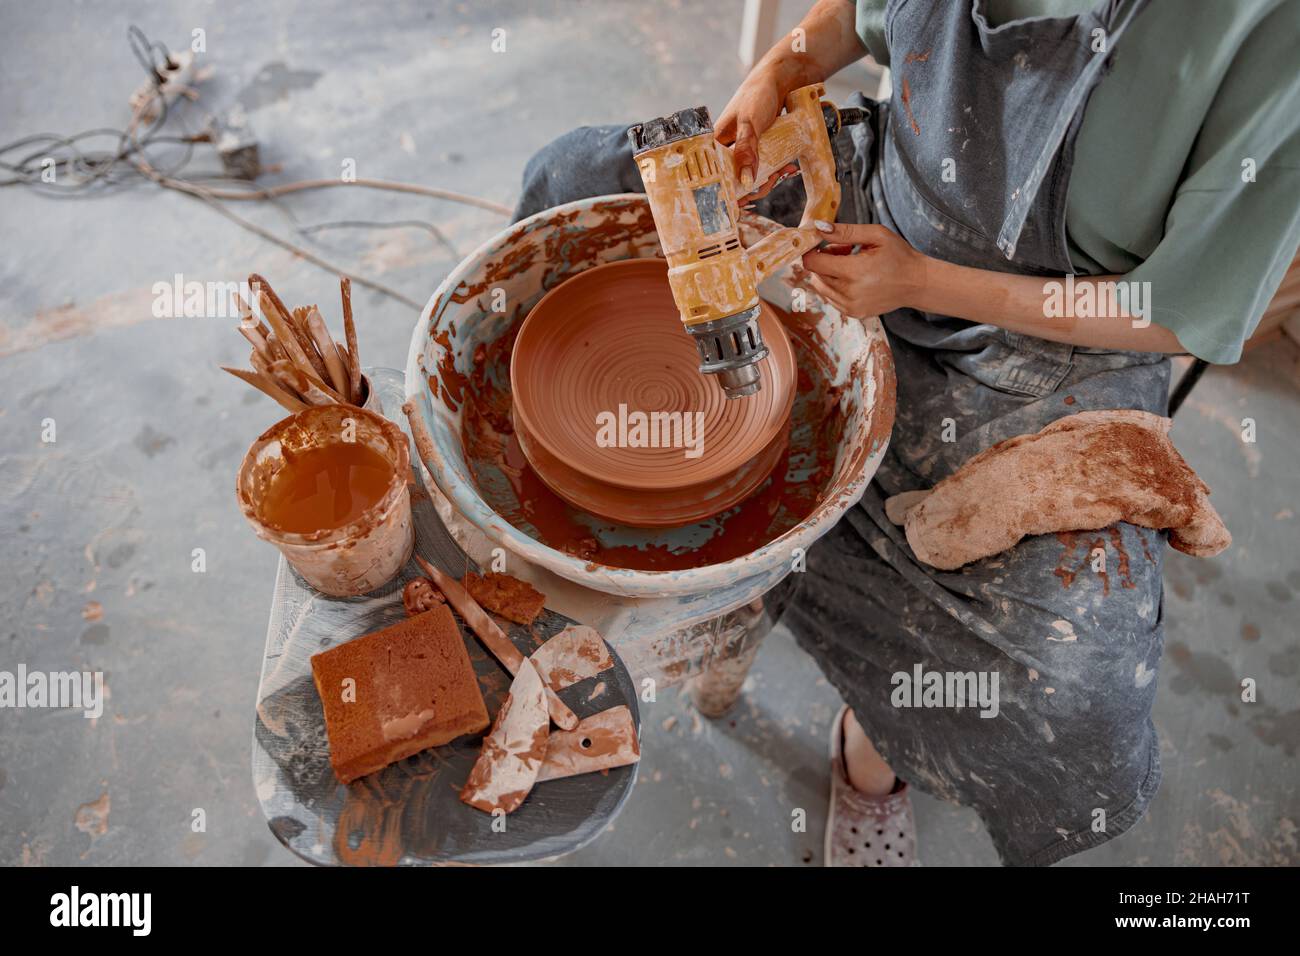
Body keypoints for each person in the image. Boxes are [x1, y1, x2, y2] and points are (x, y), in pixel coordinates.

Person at [513, 0, 1300, 865]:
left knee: (1068, 691)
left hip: (1048, 335)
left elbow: (1177, 308)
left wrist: (924, 281)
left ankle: (874, 746)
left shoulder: (1266, 32)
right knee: (570, 183)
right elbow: (857, 12)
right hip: (872, 201)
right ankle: (682, 583)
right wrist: (782, 68)